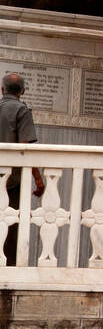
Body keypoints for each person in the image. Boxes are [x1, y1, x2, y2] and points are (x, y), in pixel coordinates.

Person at [1, 72, 45, 265]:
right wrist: (38, 179)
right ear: (23, 91)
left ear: (2, 90)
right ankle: (8, 268)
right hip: (13, 181)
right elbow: (25, 148)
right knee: (11, 224)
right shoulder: (22, 111)